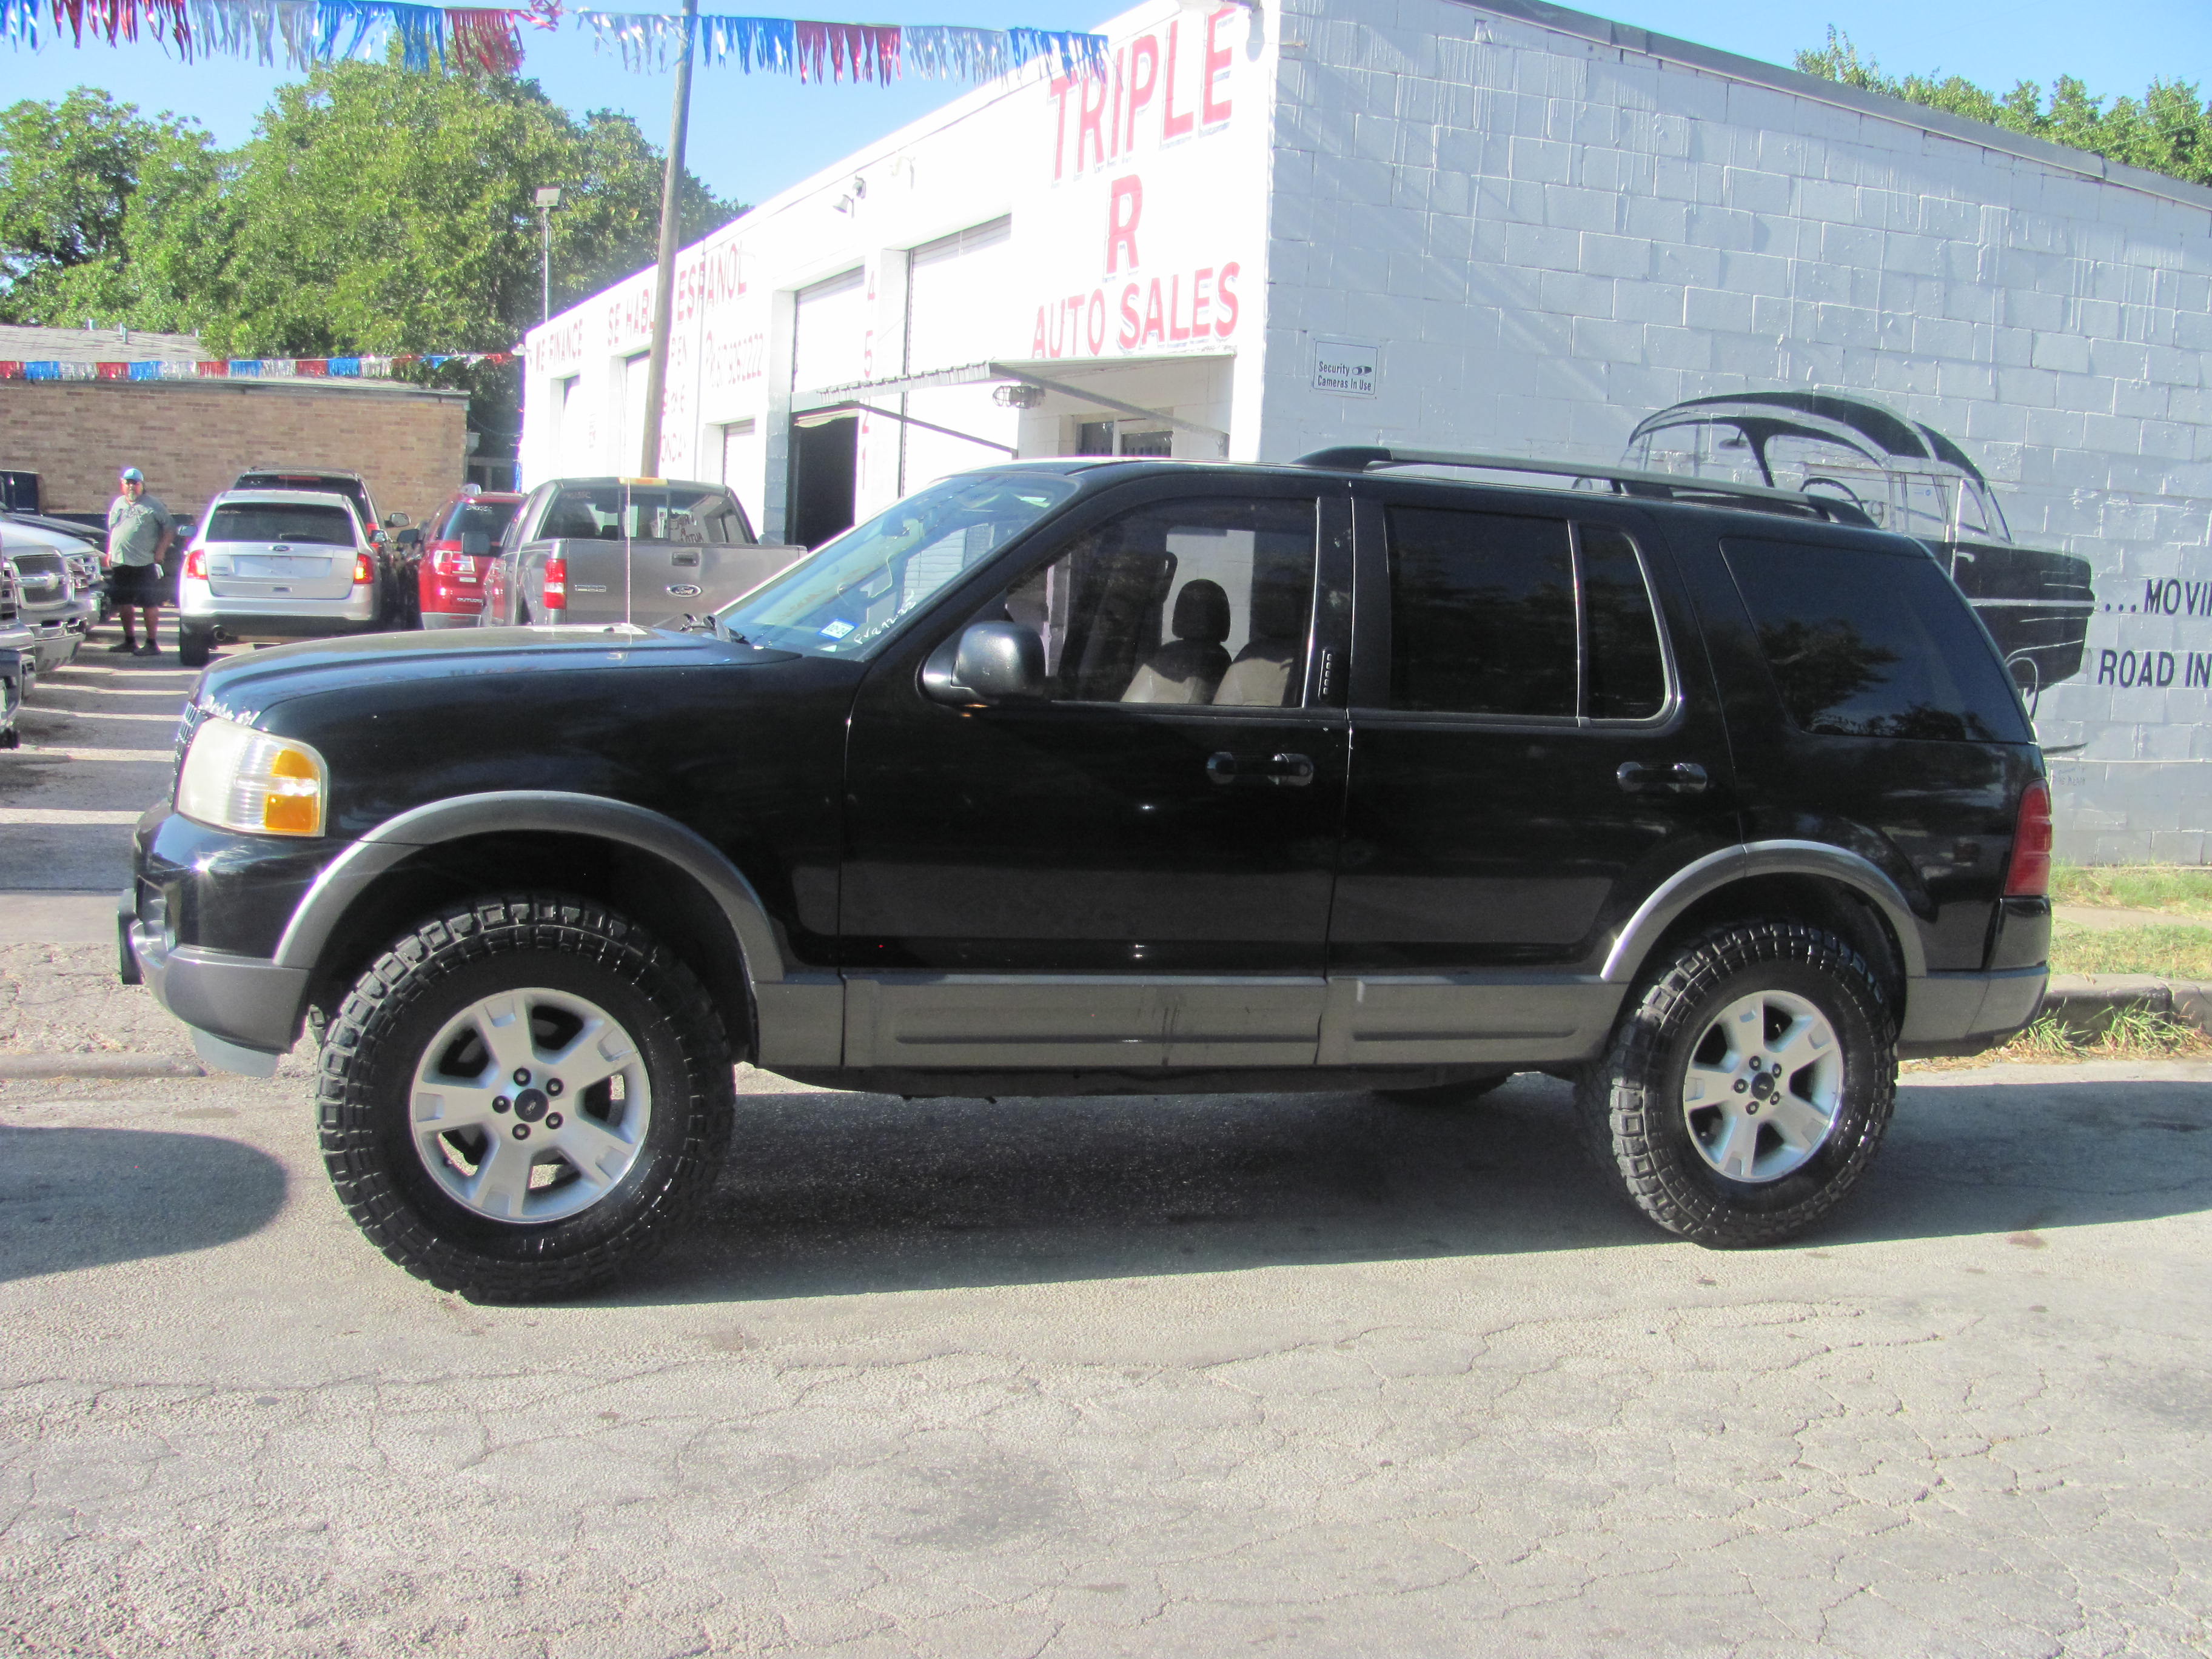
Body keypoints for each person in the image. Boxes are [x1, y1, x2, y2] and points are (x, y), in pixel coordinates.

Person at [106, 466, 174, 658]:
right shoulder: (118, 504)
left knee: (149, 602)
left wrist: (160, 551)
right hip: (121, 562)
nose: (131, 487)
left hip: (145, 562)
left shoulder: (153, 505)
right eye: (128, 483)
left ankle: (152, 643)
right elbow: (113, 529)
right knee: (123, 602)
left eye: (135, 483)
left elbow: (170, 529)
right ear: (122, 484)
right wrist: (110, 550)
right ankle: (129, 641)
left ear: (142, 485)